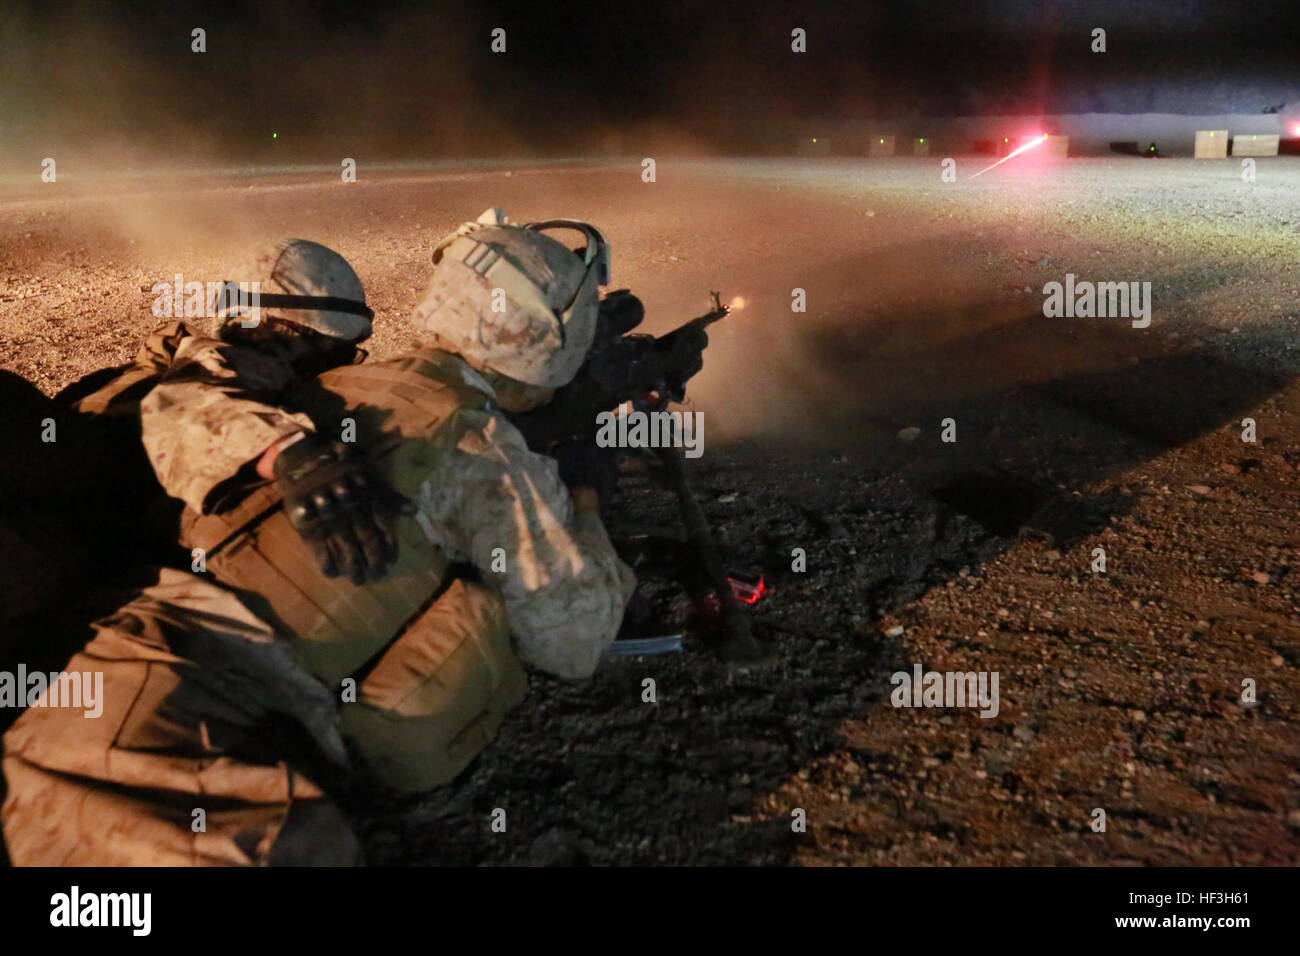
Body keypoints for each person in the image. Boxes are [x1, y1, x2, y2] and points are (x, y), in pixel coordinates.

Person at [1, 209, 637, 864]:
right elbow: (573, 642)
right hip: (140, 690)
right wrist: (584, 494)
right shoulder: (452, 436)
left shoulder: (311, 387)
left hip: (111, 653)